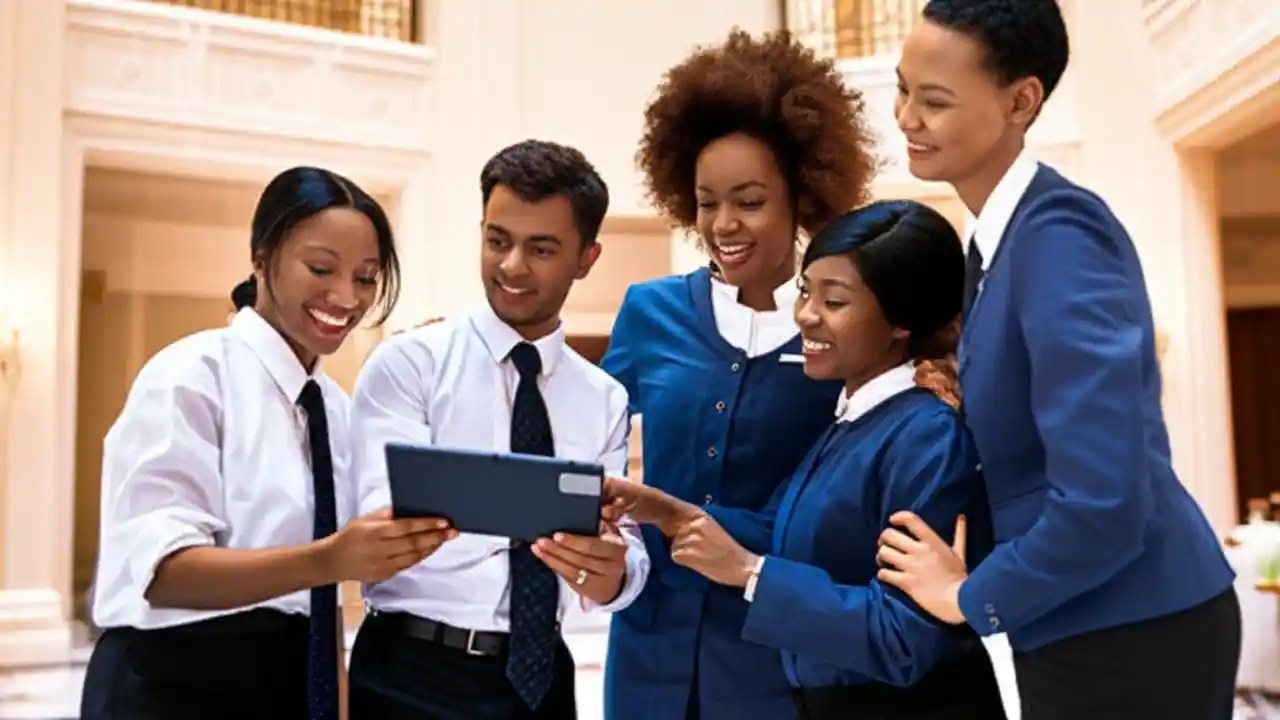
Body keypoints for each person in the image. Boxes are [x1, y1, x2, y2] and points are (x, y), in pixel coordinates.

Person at [876, 2, 1241, 719]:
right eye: (903, 88)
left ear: (1021, 100)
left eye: (935, 100)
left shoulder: (1059, 237)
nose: (906, 116)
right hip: (1089, 621)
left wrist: (966, 596)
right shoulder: (999, 243)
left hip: (1132, 632)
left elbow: (1105, 500)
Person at [601, 29, 937, 720]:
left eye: (749, 200)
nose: (724, 224)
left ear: (800, 196)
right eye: (706, 201)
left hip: (776, 660)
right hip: (648, 651)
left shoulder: (840, 338)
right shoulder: (650, 311)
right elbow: (587, 441)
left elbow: (843, 503)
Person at [606, 200, 1007, 720]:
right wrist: (661, 510)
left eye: (834, 301)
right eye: (804, 291)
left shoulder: (927, 438)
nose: (805, 316)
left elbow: (903, 636)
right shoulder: (856, 417)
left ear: (901, 321)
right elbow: (784, 532)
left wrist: (751, 573)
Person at [81, 166, 456, 720]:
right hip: (169, 686)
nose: (345, 297)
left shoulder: (337, 407)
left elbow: (324, 590)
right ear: (261, 257)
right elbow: (162, 574)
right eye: (321, 268)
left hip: (288, 682)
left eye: (366, 276)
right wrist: (329, 559)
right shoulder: (190, 375)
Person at [346, 139, 650, 720]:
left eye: (541, 248)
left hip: (542, 685)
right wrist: (536, 522)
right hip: (409, 674)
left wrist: (615, 574)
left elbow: (619, 555)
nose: (512, 266)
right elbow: (384, 535)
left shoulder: (605, 399)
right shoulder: (409, 366)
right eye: (497, 241)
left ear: (586, 258)